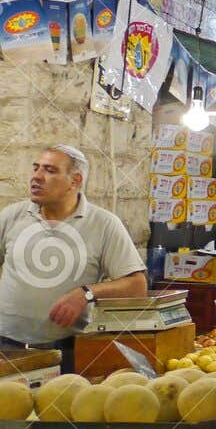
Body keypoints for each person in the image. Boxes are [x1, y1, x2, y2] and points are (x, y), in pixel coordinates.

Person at [0, 146, 146, 371]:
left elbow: (137, 286)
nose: (36, 177)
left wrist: (86, 293)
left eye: (49, 170)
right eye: (36, 168)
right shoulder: (12, 216)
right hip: (6, 346)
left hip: (68, 351)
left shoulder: (104, 224)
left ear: (75, 181)